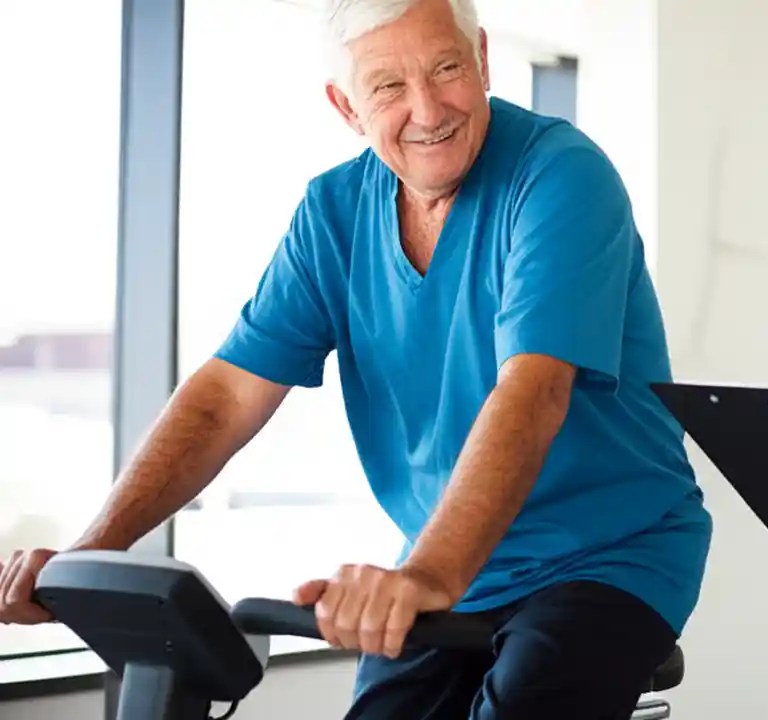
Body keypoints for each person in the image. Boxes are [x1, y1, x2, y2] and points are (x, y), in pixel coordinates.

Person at [0, 0, 712, 717]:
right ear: (346, 106)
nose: (428, 109)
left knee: (525, 700)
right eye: (389, 87)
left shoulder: (558, 176)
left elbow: (532, 394)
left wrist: (428, 575)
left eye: (445, 68)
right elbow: (225, 398)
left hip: (608, 556)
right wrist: (88, 556)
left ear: (484, 59)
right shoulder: (332, 215)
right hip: (456, 565)